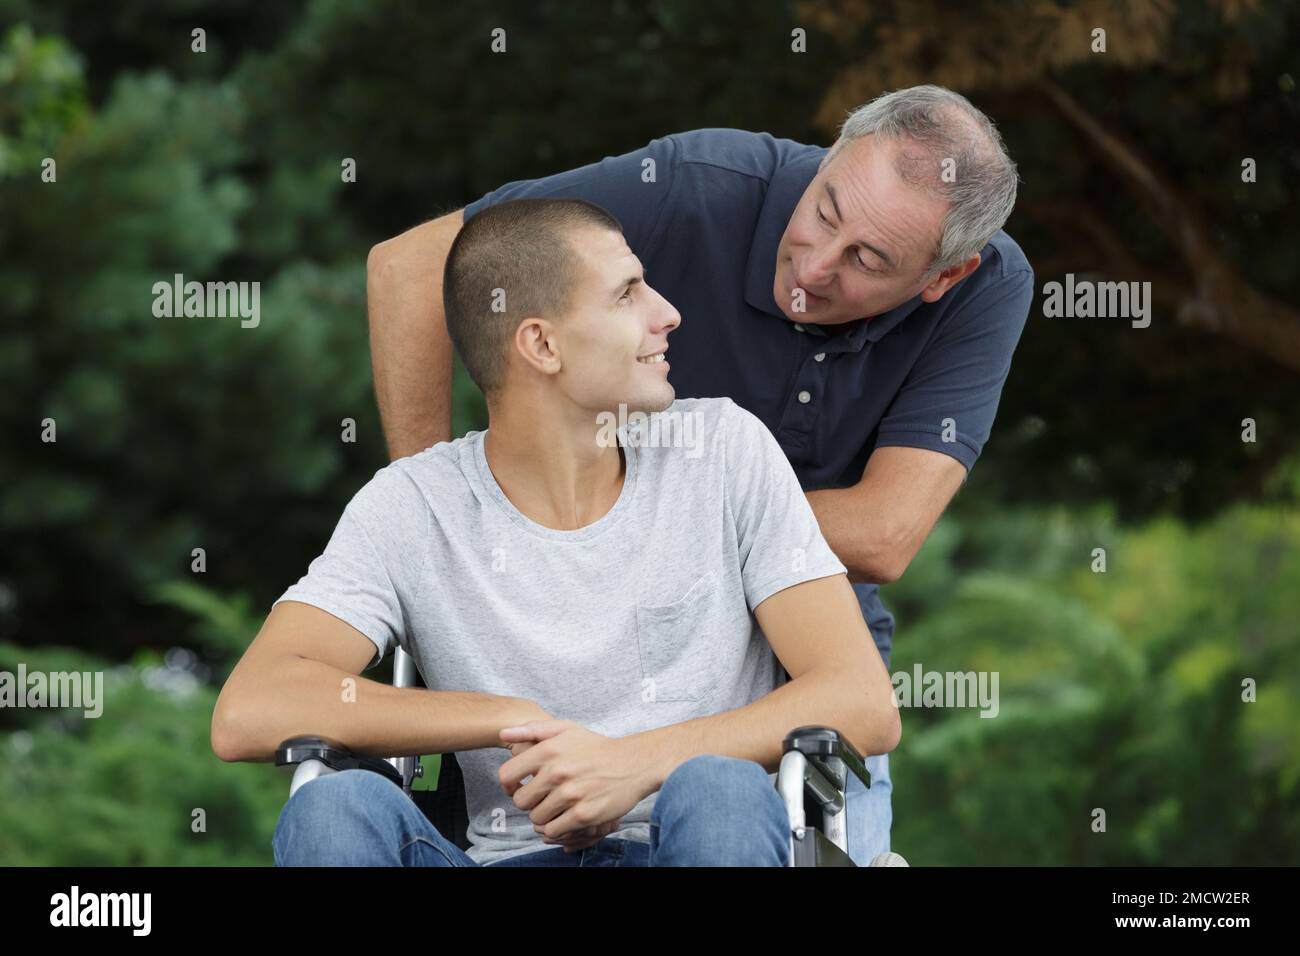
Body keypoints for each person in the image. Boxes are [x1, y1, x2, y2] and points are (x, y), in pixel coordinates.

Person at [365, 85, 1035, 862]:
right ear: (831, 157)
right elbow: (411, 267)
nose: (814, 266)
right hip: (567, 636)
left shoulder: (985, 290)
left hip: (803, 682)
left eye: (868, 260)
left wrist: (637, 508)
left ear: (941, 279)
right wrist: (442, 519)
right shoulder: (695, 184)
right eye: (824, 212)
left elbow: (884, 533)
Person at [212, 197, 901, 866]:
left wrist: (629, 764)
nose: (668, 314)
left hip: (693, 842)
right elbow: (250, 710)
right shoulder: (413, 506)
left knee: (718, 787)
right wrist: (506, 715)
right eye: (628, 293)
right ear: (541, 344)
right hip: (504, 858)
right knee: (332, 808)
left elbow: (861, 700)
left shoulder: (722, 450)